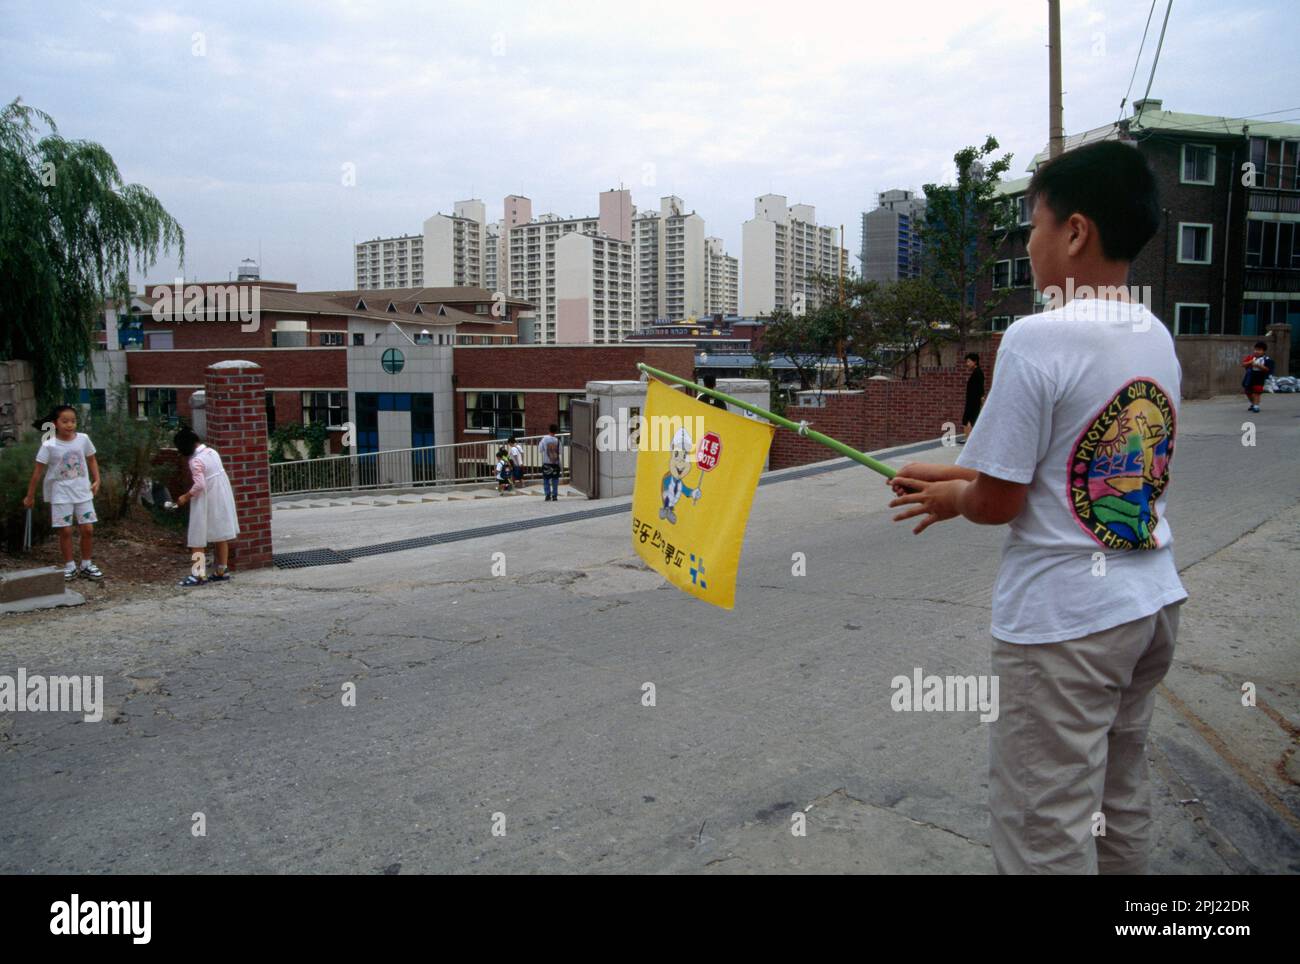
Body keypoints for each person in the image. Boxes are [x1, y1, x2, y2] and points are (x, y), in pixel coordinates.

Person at [886, 140, 1185, 874]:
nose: (1028, 243)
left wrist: (957, 496)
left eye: (1034, 225)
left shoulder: (1036, 338)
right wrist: (963, 479)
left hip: (1065, 630)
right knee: (1120, 799)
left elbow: (999, 500)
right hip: (1149, 606)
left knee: (1042, 825)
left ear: (1076, 231)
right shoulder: (1154, 333)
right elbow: (1066, 460)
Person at [22, 405, 103, 581]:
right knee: (65, 531)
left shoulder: (83, 439)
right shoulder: (49, 444)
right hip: (61, 494)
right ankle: (69, 566)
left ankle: (87, 564)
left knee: (88, 529)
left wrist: (97, 480)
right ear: (55, 423)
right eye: (65, 421)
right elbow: (37, 472)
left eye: (73, 421)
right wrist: (30, 495)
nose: (69, 425)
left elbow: (92, 459)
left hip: (83, 492)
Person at [173, 426, 240, 587]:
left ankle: (198, 575)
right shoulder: (212, 452)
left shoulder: (196, 461)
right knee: (220, 534)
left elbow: (200, 485)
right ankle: (222, 571)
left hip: (205, 500)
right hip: (221, 497)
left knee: (197, 537)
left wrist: (185, 497)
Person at [1241, 341, 1273, 413]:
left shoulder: (1266, 359)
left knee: (1257, 392)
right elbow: (1243, 364)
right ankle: (1253, 403)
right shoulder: (1251, 357)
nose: (1257, 351)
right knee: (1248, 391)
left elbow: (1268, 369)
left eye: (1259, 350)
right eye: (1256, 349)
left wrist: (1259, 366)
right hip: (1249, 376)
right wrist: (1250, 362)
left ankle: (1256, 406)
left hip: (1259, 377)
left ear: (1263, 351)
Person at [960, 352, 984, 442]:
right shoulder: (976, 372)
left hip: (974, 401)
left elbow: (980, 387)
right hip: (972, 400)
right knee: (969, 419)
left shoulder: (978, 372)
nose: (967, 364)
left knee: (968, 419)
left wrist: (981, 399)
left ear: (975, 361)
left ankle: (968, 440)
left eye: (969, 361)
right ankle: (969, 439)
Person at [539, 423, 561, 502]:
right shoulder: (557, 440)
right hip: (555, 462)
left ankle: (547, 495)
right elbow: (560, 451)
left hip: (546, 462)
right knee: (555, 480)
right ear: (556, 431)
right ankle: (554, 495)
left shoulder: (544, 439)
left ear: (549, 430)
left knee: (546, 479)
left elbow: (540, 449)